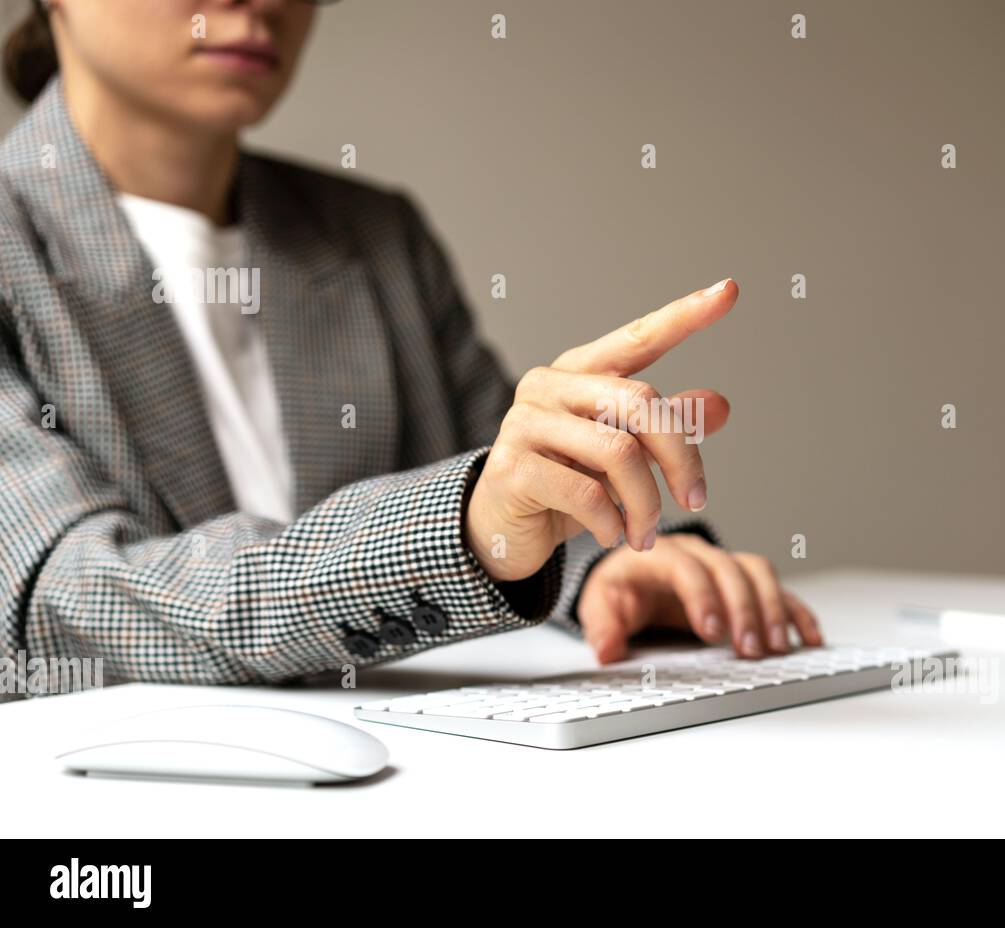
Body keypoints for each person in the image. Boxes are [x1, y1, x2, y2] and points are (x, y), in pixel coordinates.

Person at [0, 0, 820, 697]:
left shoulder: (375, 237)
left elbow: (510, 489)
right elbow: (66, 604)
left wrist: (603, 568)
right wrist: (464, 525)